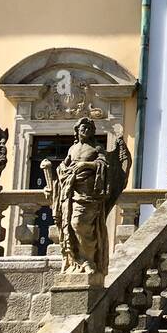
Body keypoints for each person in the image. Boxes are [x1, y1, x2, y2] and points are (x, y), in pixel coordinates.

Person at [42, 117, 130, 275]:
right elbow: (64, 167)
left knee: (80, 225)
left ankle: (89, 260)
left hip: (89, 194)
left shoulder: (97, 148)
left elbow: (105, 165)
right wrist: (57, 169)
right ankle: (78, 261)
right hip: (72, 191)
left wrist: (85, 165)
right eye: (83, 128)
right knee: (70, 225)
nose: (86, 131)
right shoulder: (72, 149)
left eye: (89, 129)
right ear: (77, 131)